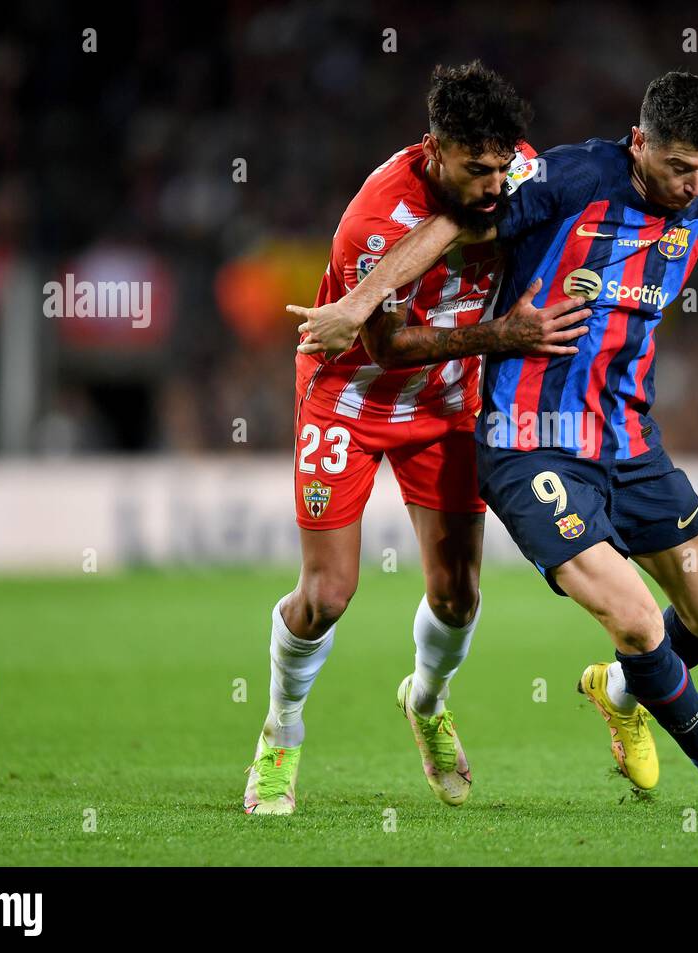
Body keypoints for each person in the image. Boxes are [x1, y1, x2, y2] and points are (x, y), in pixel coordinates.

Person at [243, 61, 590, 815]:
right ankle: (282, 731)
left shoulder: (514, 169)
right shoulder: (374, 222)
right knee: (329, 594)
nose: (496, 184)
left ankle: (426, 703)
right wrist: (505, 333)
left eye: (502, 167)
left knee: (459, 594)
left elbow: (520, 211)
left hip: (447, 402)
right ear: (433, 150)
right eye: (477, 169)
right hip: (349, 396)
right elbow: (387, 349)